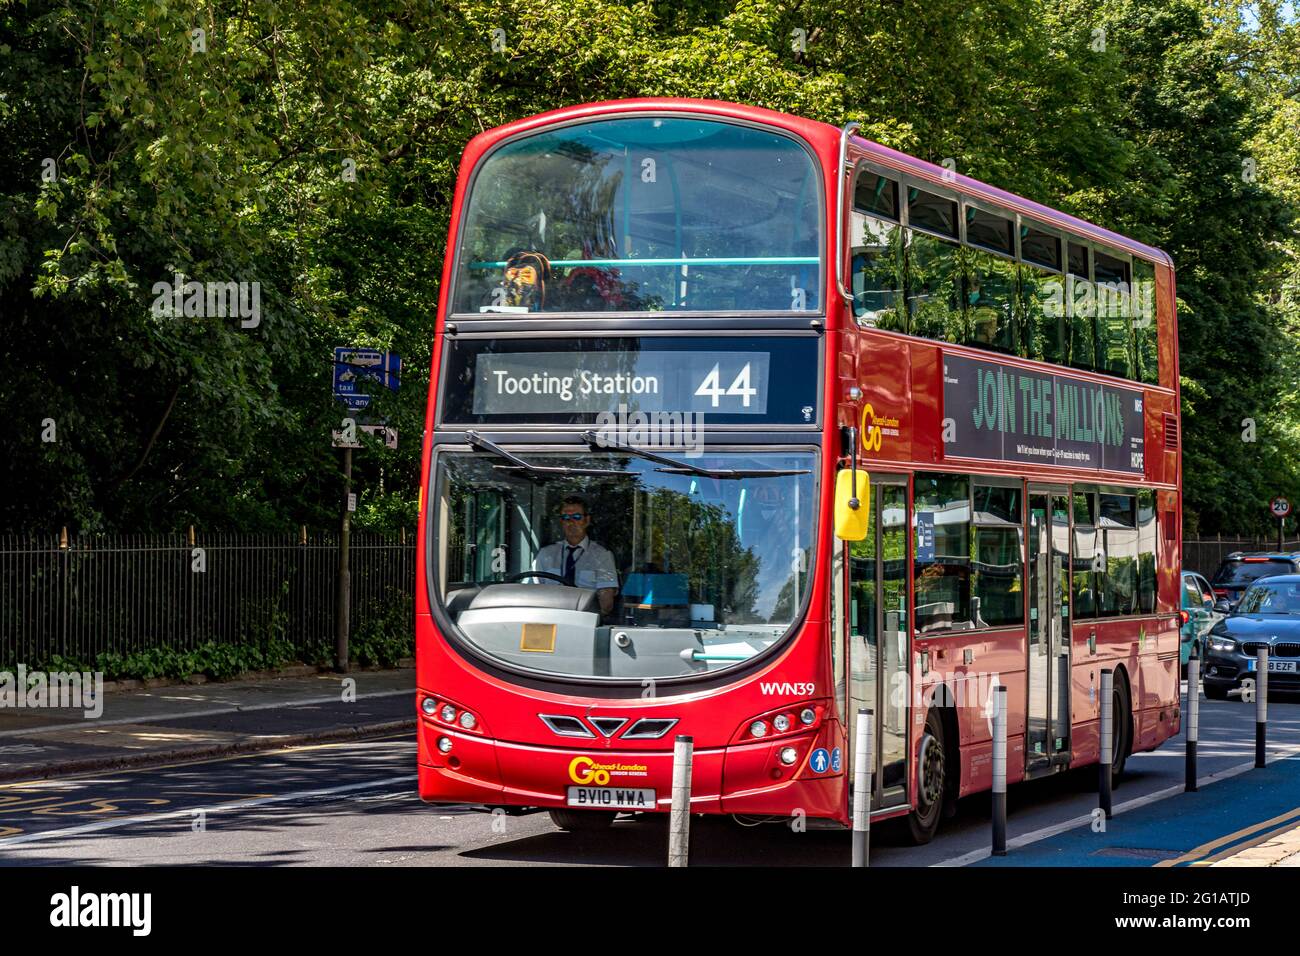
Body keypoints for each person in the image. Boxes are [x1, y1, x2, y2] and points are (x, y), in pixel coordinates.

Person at [533, 495, 619, 615]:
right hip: (549, 617)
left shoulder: (602, 556)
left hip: (584, 620)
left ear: (587, 520)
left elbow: (606, 604)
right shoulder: (546, 554)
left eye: (577, 517)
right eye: (566, 517)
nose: (571, 522)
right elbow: (531, 593)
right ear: (561, 522)